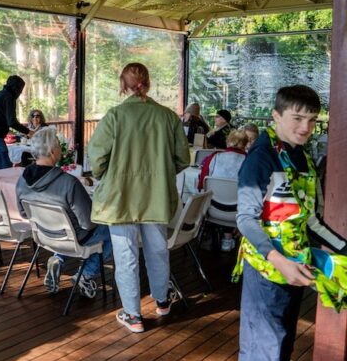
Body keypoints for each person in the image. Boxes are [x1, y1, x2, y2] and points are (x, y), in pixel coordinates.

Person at [234, 86, 346, 361]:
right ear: (276, 116)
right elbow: (246, 219)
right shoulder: (261, 158)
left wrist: (344, 248)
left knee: (281, 347)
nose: (305, 128)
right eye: (297, 118)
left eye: (312, 120)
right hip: (267, 269)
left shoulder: (301, 157)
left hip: (296, 267)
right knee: (263, 355)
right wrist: (278, 260)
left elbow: (311, 221)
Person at [87, 63, 190, 333]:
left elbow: (97, 158)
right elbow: (183, 159)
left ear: (124, 85)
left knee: (126, 255)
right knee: (158, 250)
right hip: (155, 196)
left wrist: (105, 174)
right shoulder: (168, 117)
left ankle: (133, 315)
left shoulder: (115, 116)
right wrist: (160, 174)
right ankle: (162, 300)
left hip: (120, 197)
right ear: (148, 83)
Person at [16, 126, 112, 299]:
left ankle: (59, 259)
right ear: (53, 152)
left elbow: (24, 214)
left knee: (69, 227)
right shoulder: (69, 183)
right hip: (72, 238)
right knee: (112, 230)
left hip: (44, 236)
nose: (61, 149)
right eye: (59, 146)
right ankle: (86, 274)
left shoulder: (22, 180)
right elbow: (88, 223)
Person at [197, 129, 248, 252]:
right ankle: (229, 239)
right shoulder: (249, 161)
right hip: (238, 212)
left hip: (213, 208)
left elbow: (201, 184)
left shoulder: (214, 158)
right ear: (245, 144)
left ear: (228, 142)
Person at [0, 75, 34, 171]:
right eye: (21, 89)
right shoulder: (9, 97)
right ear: (16, 88)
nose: (20, 93)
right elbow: (11, 121)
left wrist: (6, 130)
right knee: (6, 171)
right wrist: (28, 132)